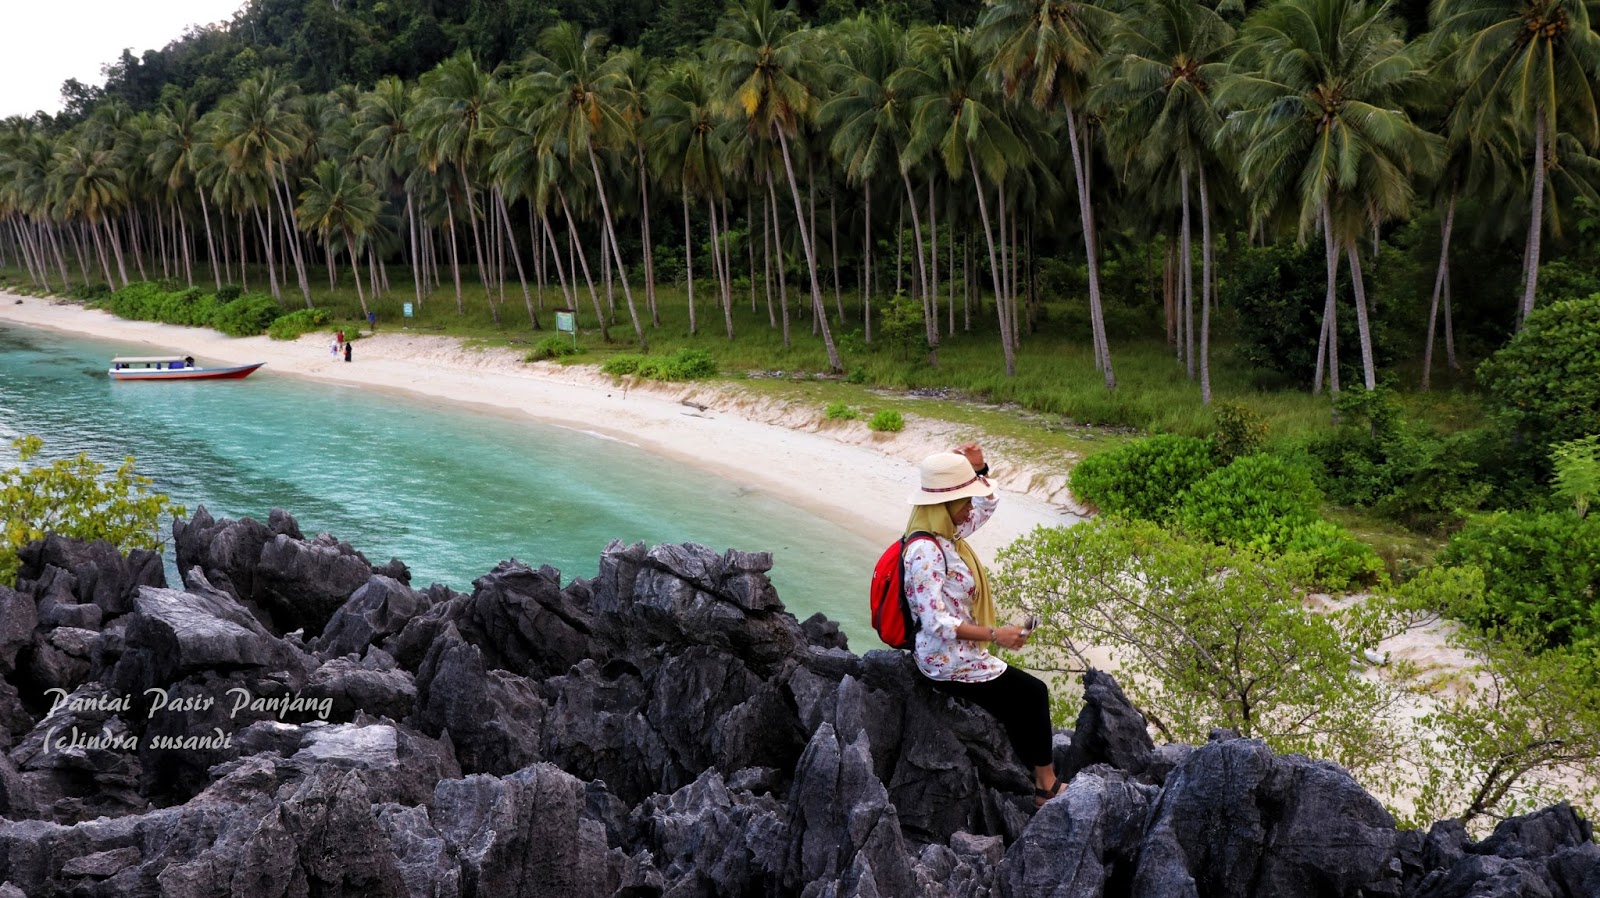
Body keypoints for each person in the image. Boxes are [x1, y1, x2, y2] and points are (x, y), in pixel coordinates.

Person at [903, 443, 1063, 807]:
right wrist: (995, 635)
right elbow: (935, 622)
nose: (969, 508)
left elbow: (985, 507)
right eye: (964, 500)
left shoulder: (947, 535)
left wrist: (979, 470)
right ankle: (1046, 785)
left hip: (959, 652)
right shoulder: (926, 551)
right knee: (1033, 693)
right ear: (943, 504)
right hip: (946, 660)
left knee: (1013, 704)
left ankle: (1031, 774)